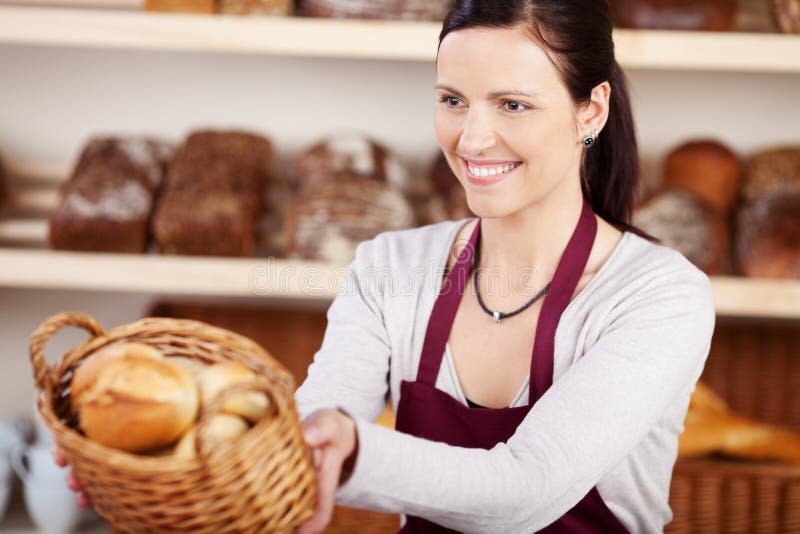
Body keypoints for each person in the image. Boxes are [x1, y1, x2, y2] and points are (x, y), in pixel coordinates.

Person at [57, 1, 716, 532]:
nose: (471, 137)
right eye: (452, 100)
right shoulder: (390, 267)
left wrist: (345, 447)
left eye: (512, 104)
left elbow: (526, 489)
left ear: (590, 110)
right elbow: (313, 426)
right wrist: (155, 458)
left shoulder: (658, 296)